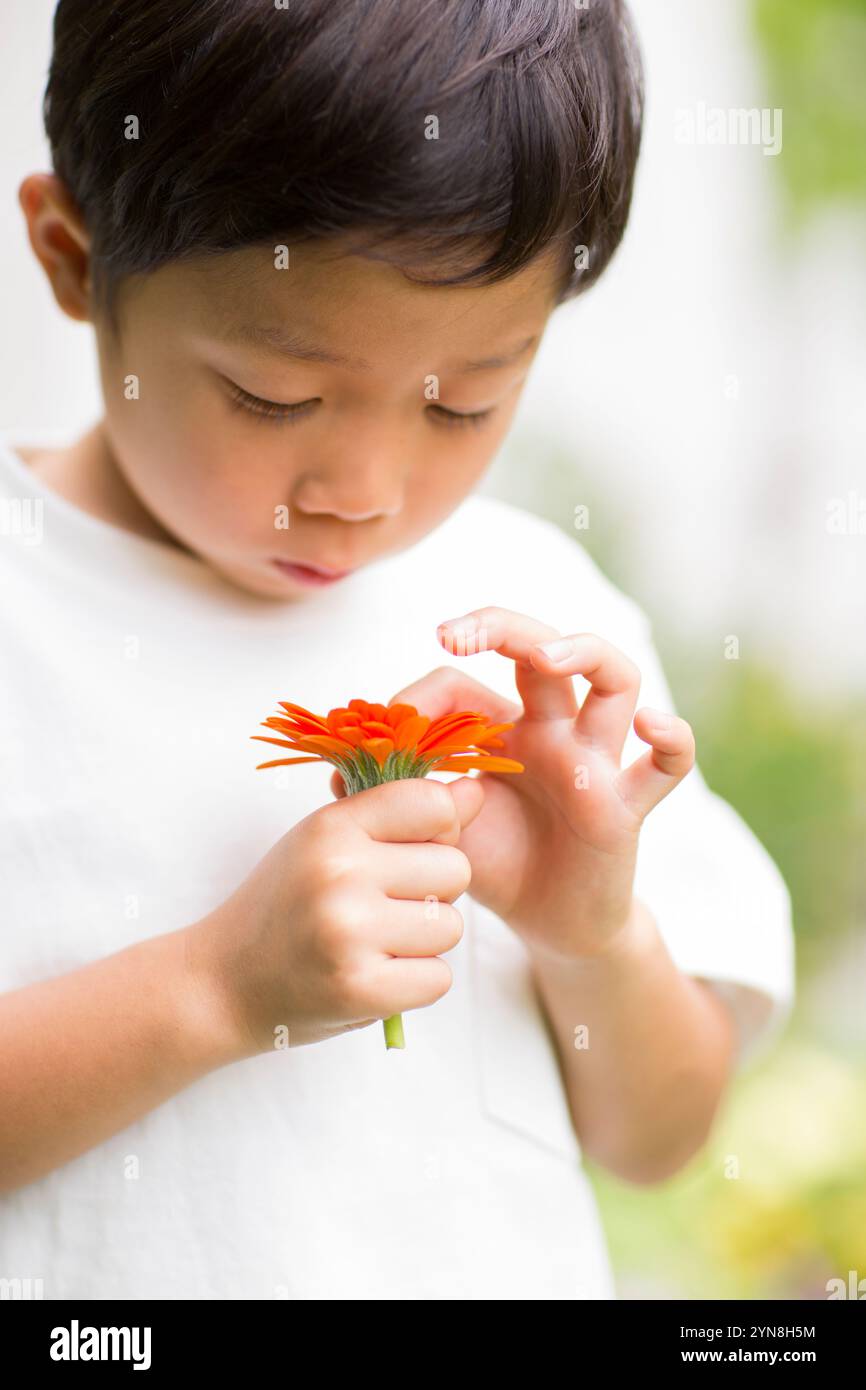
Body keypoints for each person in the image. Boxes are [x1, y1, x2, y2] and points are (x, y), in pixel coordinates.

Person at [0, 0, 794, 1299]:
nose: (362, 489)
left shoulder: (537, 617)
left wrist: (586, 931)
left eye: (464, 398)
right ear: (73, 256)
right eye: (277, 396)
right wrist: (210, 989)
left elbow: (659, 1136)